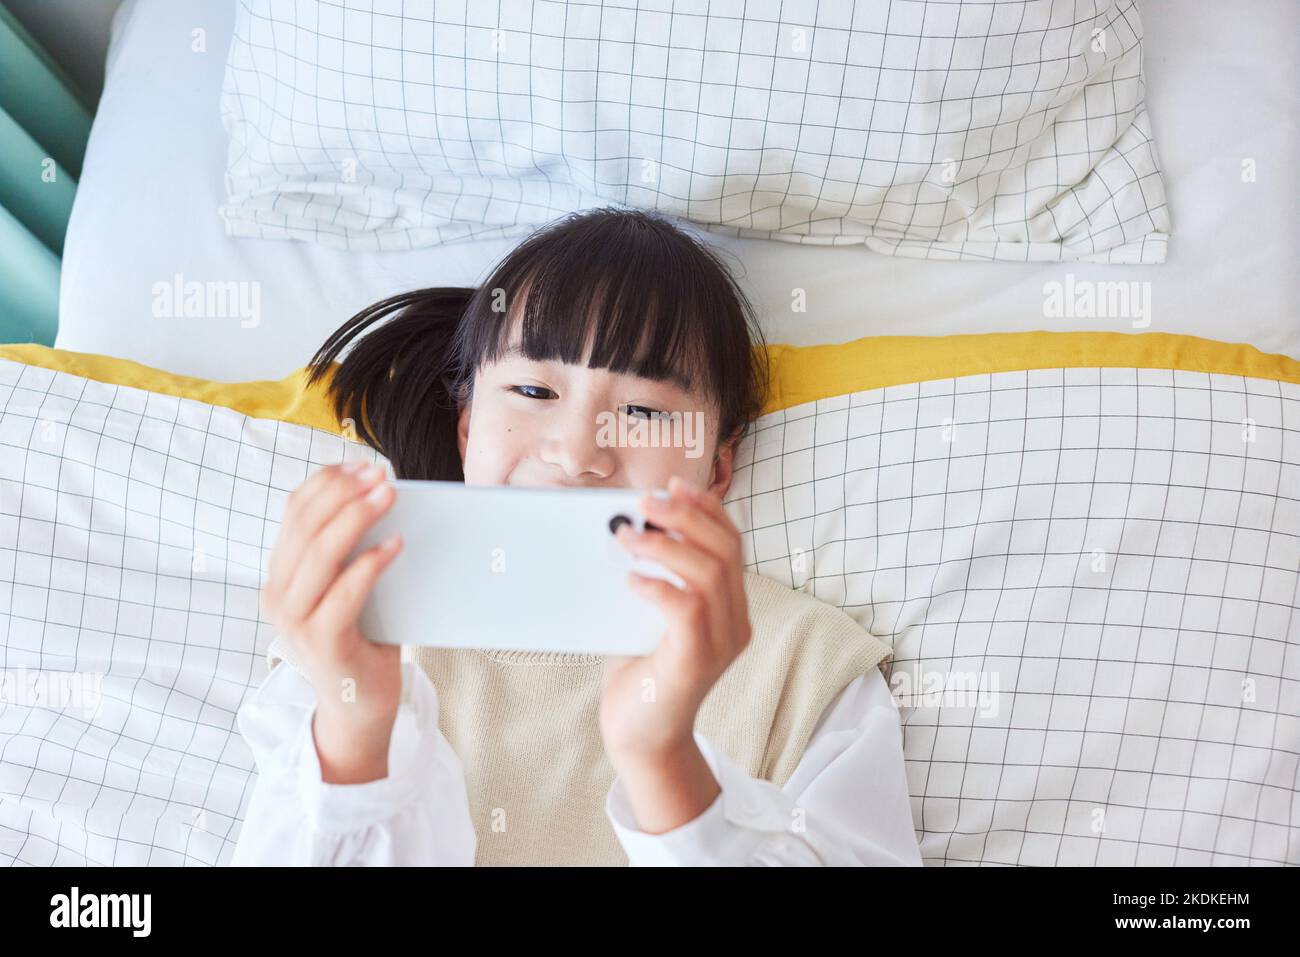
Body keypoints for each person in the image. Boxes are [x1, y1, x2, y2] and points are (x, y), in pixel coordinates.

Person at [231, 207, 921, 866]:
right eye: (534, 392)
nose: (576, 452)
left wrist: (663, 760)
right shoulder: (358, 627)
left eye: (643, 410)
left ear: (717, 467)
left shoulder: (807, 663)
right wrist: (357, 730)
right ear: (467, 429)